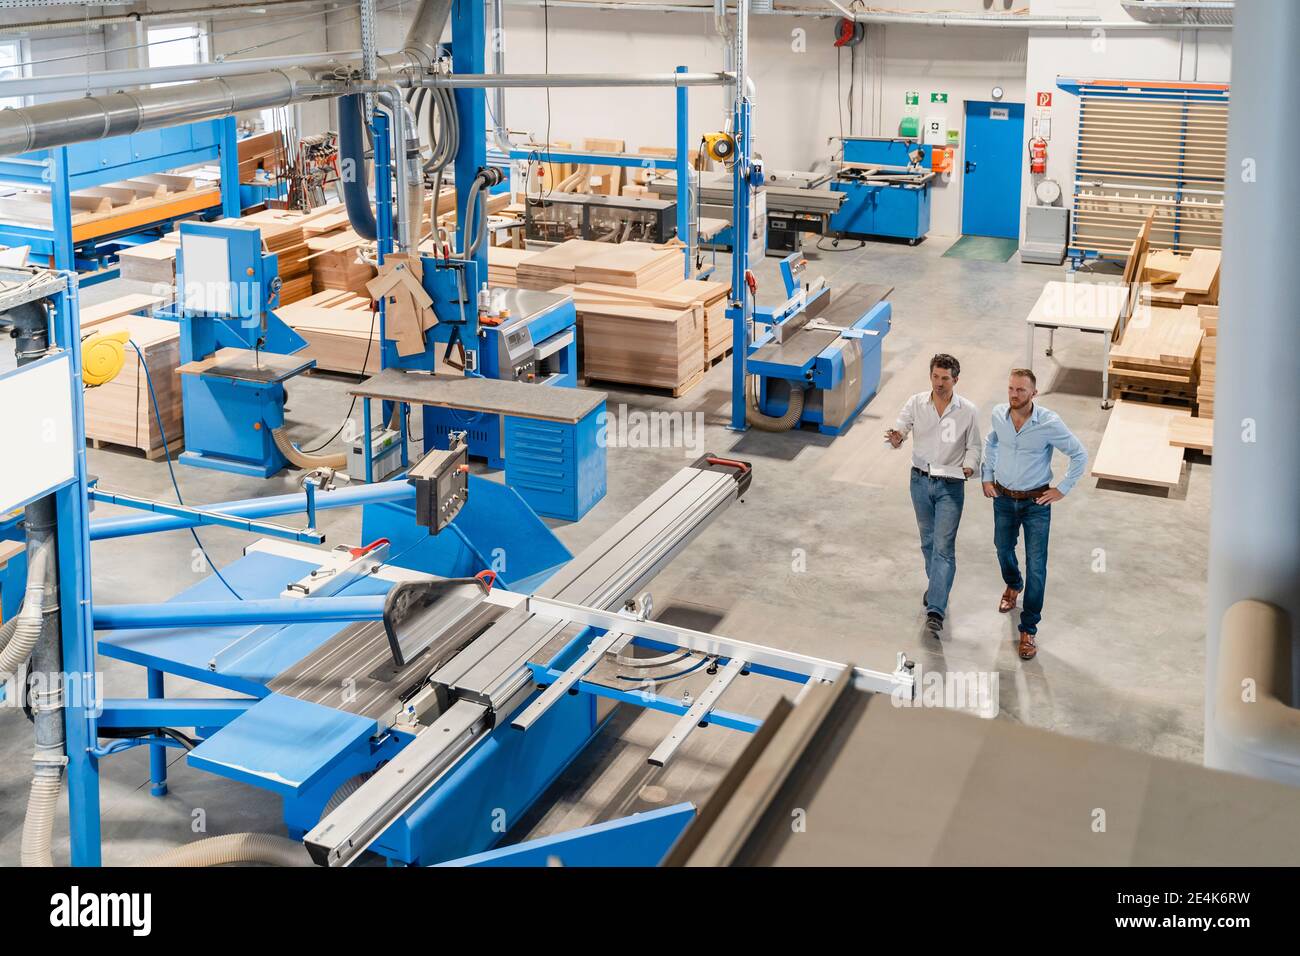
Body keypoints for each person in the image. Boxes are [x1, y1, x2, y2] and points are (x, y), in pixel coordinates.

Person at [981, 368, 1088, 661]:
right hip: (1002, 497)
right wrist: (986, 475)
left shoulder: (1049, 423)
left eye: (1021, 391)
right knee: (1002, 549)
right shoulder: (999, 415)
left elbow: (1079, 454)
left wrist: (1062, 489)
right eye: (1011, 389)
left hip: (1036, 503)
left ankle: (1028, 629)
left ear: (1034, 394)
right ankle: (1014, 584)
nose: (1014, 395)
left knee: (1037, 566)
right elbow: (991, 442)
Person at [886, 353, 981, 635]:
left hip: (950, 485)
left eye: (945, 379)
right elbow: (901, 429)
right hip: (919, 482)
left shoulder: (968, 411)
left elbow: (975, 446)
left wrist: (969, 467)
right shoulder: (916, 403)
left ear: (955, 380)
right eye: (936, 377)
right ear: (931, 376)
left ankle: (936, 609)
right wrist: (897, 438)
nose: (940, 383)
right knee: (927, 542)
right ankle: (937, 586)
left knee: (943, 546)